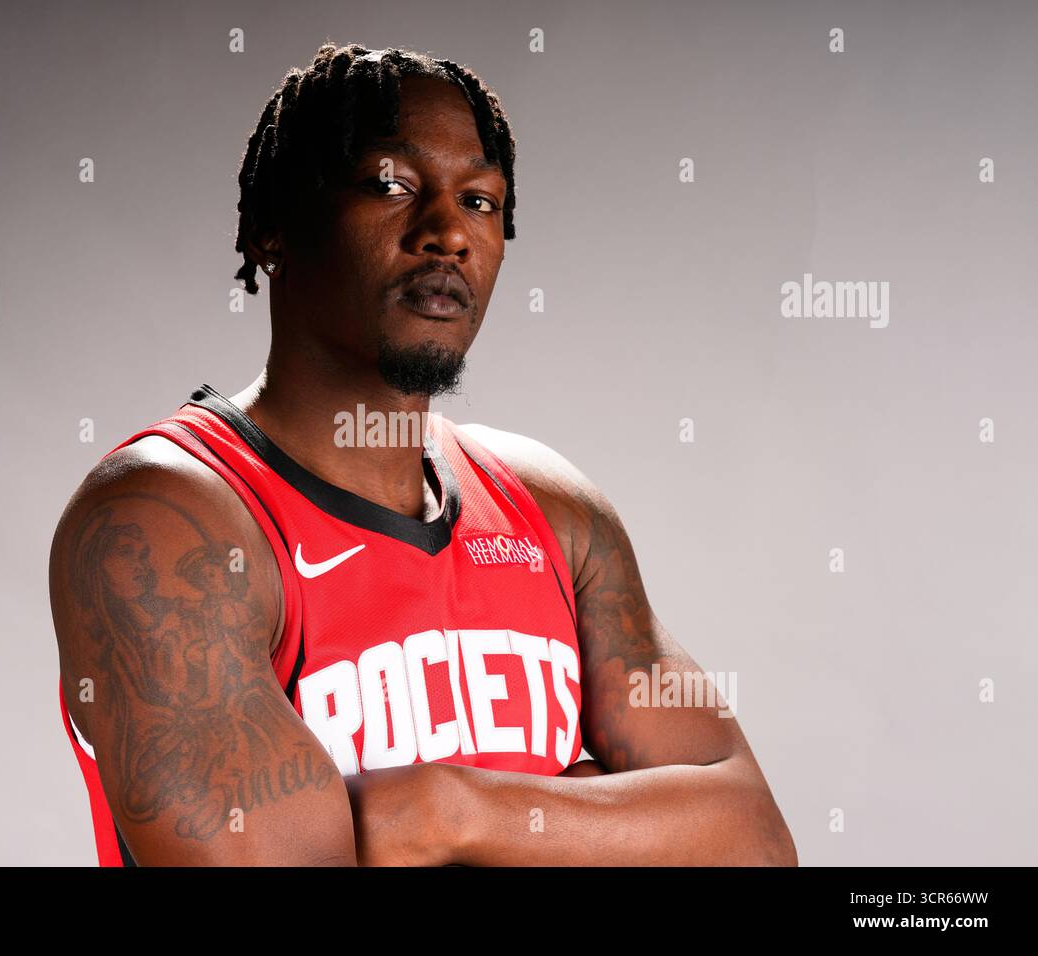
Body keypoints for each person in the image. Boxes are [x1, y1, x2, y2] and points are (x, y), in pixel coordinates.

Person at [48, 41, 796, 866]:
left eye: (480, 200)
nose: (447, 233)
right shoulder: (167, 523)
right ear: (273, 228)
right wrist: (598, 817)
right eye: (390, 184)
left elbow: (754, 843)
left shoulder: (552, 511)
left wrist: (448, 810)